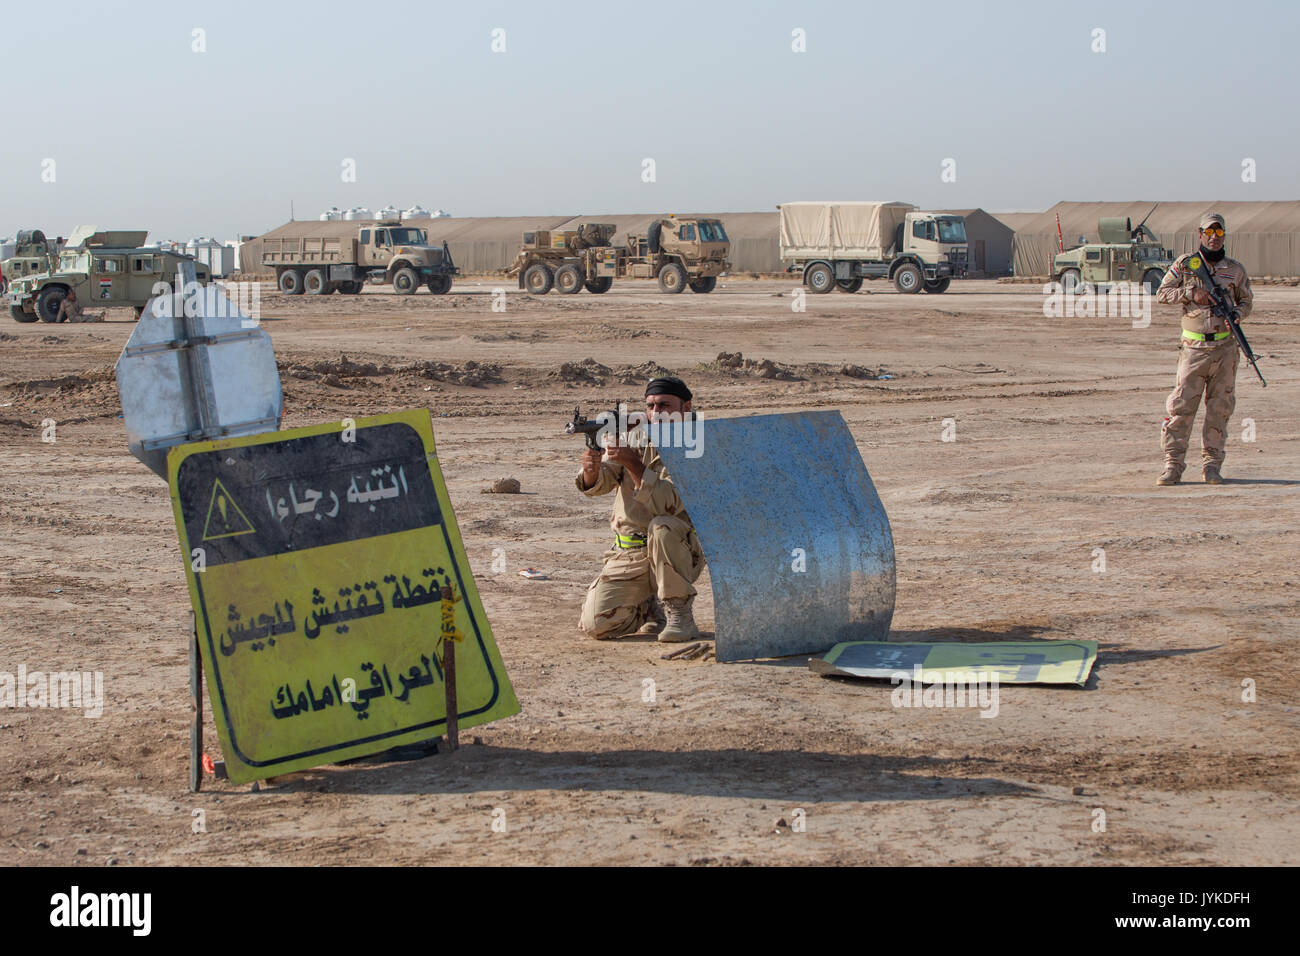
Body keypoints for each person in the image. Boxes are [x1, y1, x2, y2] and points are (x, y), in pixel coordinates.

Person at [577, 376, 705, 642]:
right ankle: (648, 608)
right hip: (631, 553)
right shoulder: (636, 437)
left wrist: (633, 463)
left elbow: (668, 502)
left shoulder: (697, 445)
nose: (656, 412)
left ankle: (680, 614)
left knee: (660, 526)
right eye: (651, 406)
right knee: (597, 626)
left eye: (664, 405)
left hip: (677, 549)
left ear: (687, 407)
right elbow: (603, 483)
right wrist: (591, 471)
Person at [1154, 213, 1253, 485]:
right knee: (1181, 407)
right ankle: (1172, 466)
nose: (1214, 237)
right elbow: (1162, 294)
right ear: (1200, 234)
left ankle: (1212, 466)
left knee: (1219, 409)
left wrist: (1237, 314)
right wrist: (1190, 293)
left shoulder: (1235, 269)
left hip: (1225, 348)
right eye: (1209, 232)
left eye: (1219, 233)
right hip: (1194, 348)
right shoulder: (1186, 265)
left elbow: (1246, 301)